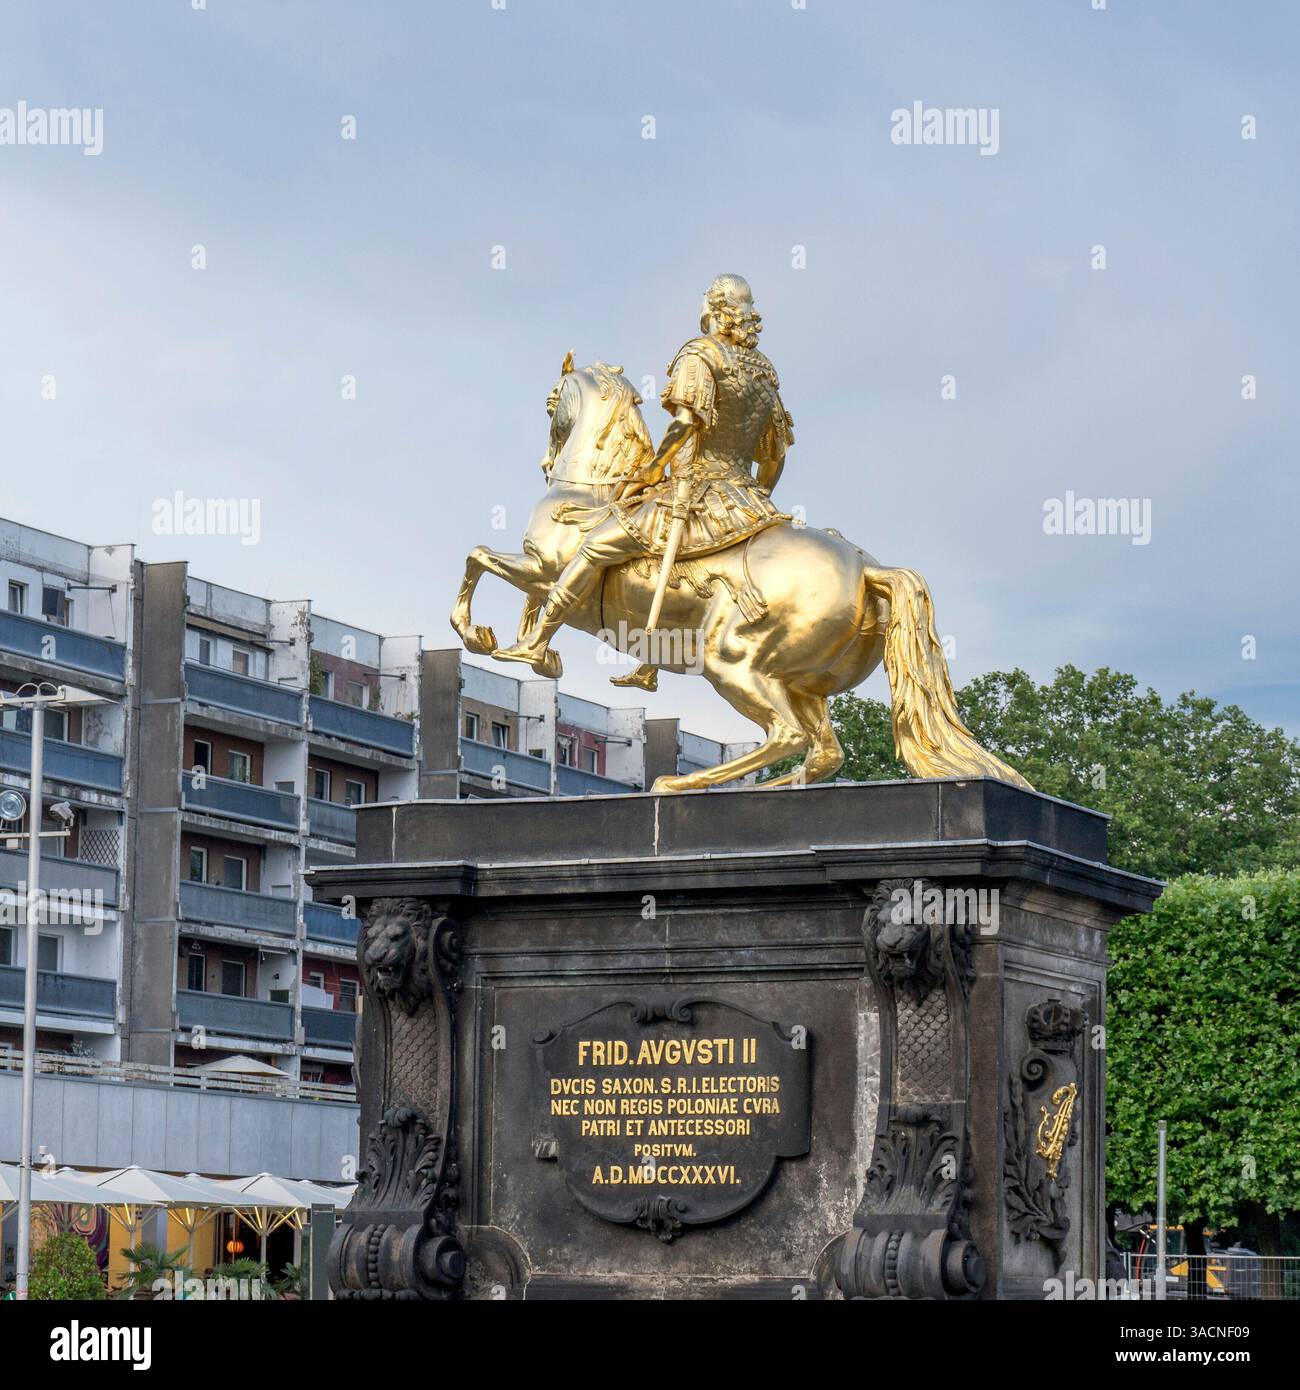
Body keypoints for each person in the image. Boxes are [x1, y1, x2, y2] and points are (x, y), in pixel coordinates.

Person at [495, 274, 793, 674]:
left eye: (707, 302)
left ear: (718, 310)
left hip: (696, 490)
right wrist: (757, 496)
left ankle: (536, 641)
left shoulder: (701, 356)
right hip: (750, 503)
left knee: (594, 547)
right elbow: (775, 455)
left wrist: (654, 469)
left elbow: (686, 422)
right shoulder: (765, 374)